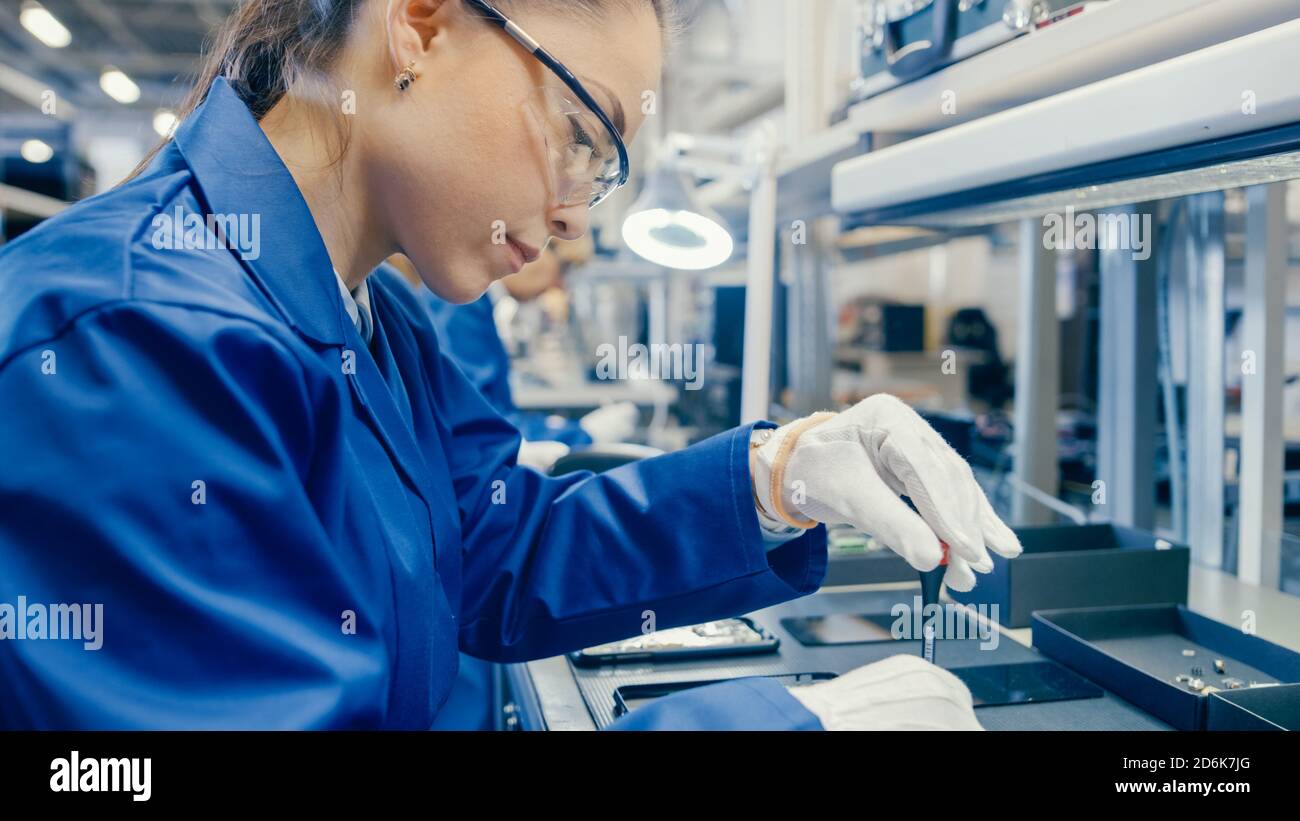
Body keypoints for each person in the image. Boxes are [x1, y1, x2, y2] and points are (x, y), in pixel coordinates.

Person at [0, 0, 1020, 730]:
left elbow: (492, 551)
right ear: (422, 24)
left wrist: (775, 475)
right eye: (579, 137)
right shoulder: (133, 339)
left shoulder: (377, 317)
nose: (577, 213)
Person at [388, 248, 639, 466]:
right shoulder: (459, 305)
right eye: (562, 269)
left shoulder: (477, 306)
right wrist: (580, 433)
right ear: (532, 248)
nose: (559, 286)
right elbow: (479, 426)